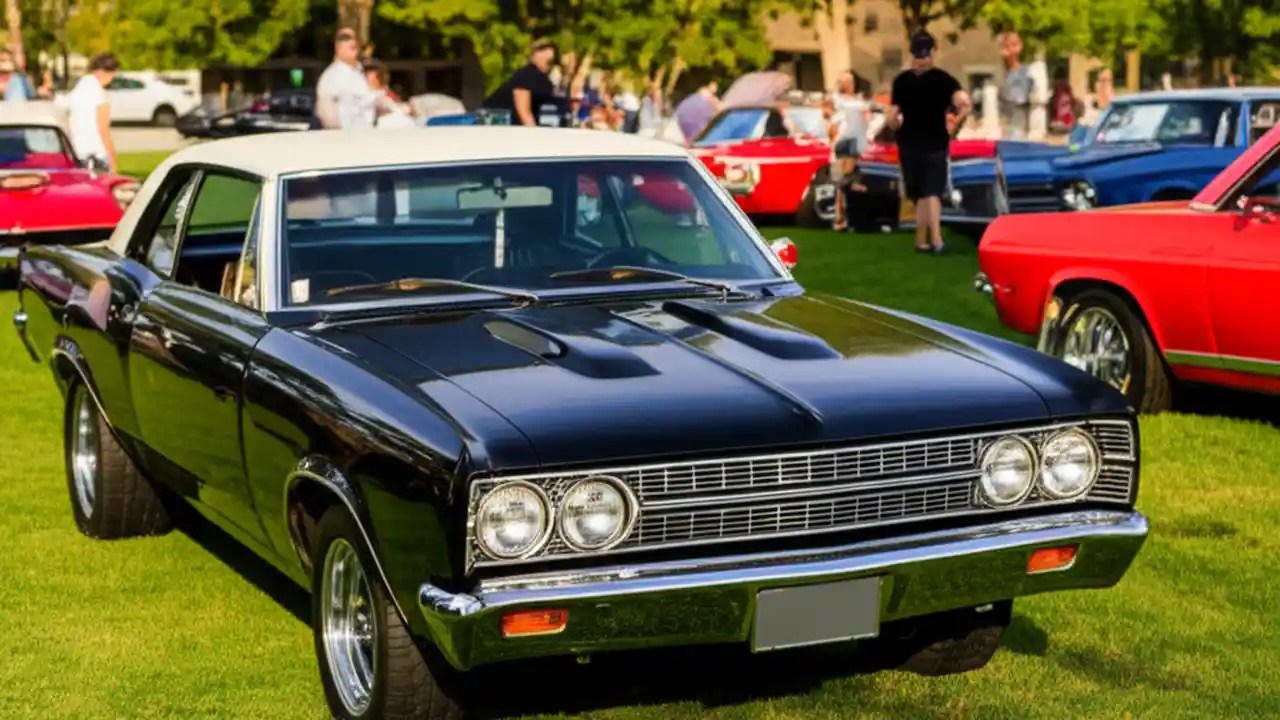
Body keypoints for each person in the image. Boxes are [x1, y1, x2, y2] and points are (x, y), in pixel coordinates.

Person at [888, 29, 971, 253]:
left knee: (919, 193)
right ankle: (936, 240)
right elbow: (964, 105)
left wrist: (896, 130)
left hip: (909, 141)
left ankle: (921, 240)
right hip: (935, 139)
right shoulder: (944, 80)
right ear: (933, 52)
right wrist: (955, 129)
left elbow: (892, 117)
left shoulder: (902, 81)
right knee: (932, 190)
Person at [484, 39, 557, 127]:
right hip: (502, 124)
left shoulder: (540, 76)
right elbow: (523, 108)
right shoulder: (528, 74)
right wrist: (534, 133)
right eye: (542, 51)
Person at [66, 52, 119, 172]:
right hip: (96, 155)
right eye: (112, 75)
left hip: (77, 152)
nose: (111, 80)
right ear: (102, 72)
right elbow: (103, 129)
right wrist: (113, 160)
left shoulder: (78, 89)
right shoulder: (99, 94)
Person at [830, 71, 870, 230]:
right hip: (843, 140)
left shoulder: (858, 100)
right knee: (841, 180)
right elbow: (834, 120)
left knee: (850, 178)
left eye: (851, 80)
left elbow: (863, 121)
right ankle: (840, 218)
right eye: (845, 80)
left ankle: (849, 217)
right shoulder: (839, 99)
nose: (849, 83)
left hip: (856, 140)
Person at [315, 28, 376, 129]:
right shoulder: (331, 77)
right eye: (352, 47)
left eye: (356, 46)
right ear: (339, 48)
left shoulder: (359, 73)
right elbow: (326, 112)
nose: (356, 51)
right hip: (346, 136)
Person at [999, 31, 1031, 139]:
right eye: (1006, 46)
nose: (1009, 49)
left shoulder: (1024, 72)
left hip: (1018, 125)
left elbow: (1019, 99)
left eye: (1014, 44)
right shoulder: (1003, 73)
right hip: (1005, 124)